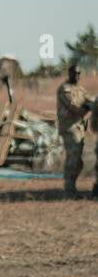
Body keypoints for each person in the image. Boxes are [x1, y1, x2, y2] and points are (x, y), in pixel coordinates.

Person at [56, 62, 93, 197]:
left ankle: (71, 187)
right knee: (73, 158)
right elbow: (73, 106)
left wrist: (94, 104)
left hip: (79, 128)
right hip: (69, 128)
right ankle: (69, 189)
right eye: (74, 73)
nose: (76, 76)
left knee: (78, 161)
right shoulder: (64, 89)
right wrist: (89, 108)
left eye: (78, 74)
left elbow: (90, 99)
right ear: (69, 74)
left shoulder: (80, 89)